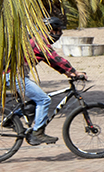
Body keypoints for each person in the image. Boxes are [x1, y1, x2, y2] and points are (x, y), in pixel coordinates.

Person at [18, 15, 84, 145]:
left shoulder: (36, 40)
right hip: (13, 76)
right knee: (44, 99)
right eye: (57, 30)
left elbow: (52, 63)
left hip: (15, 75)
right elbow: (55, 58)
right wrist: (75, 72)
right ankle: (38, 133)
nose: (59, 33)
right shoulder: (39, 42)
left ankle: (12, 119)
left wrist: (67, 72)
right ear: (49, 30)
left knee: (36, 100)